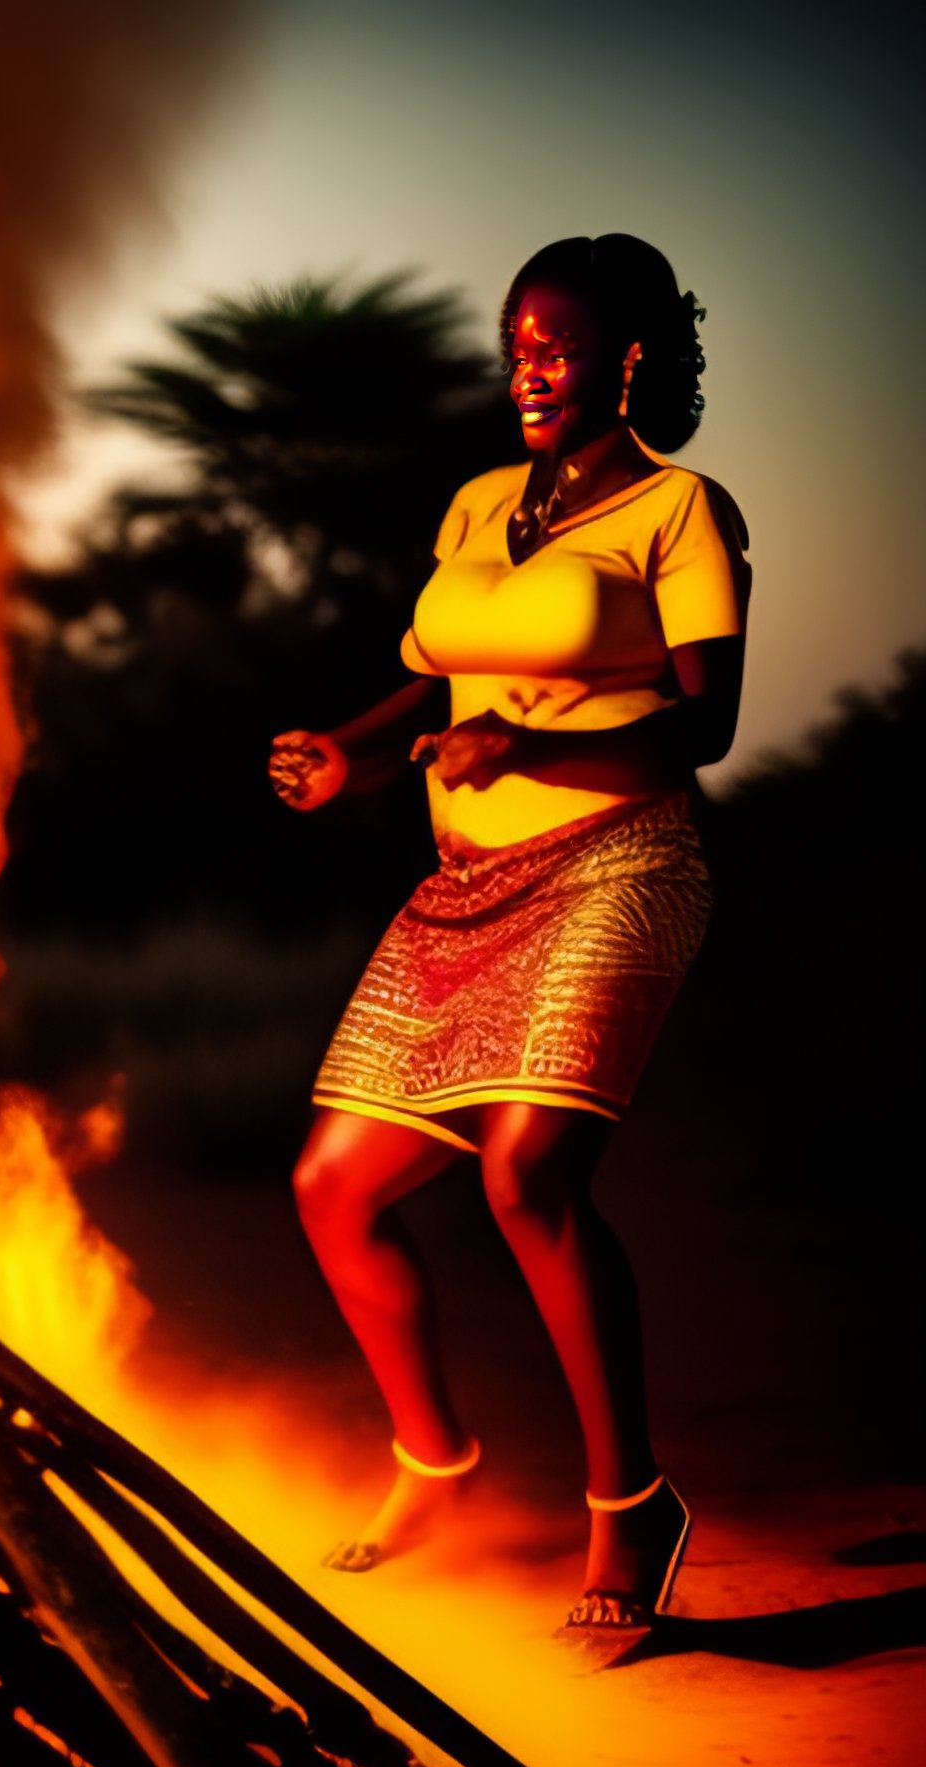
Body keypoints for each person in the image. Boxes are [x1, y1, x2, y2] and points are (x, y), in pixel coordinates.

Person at [268, 233, 747, 1631]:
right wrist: (353, 754)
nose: (528, 368)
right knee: (332, 1187)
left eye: (557, 345)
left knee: (529, 1169)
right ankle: (436, 1462)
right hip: (463, 888)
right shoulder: (483, 500)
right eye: (515, 346)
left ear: (629, 358)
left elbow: (703, 721)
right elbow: (433, 680)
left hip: (620, 862)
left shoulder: (680, 512)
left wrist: (524, 742)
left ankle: (630, 1505)